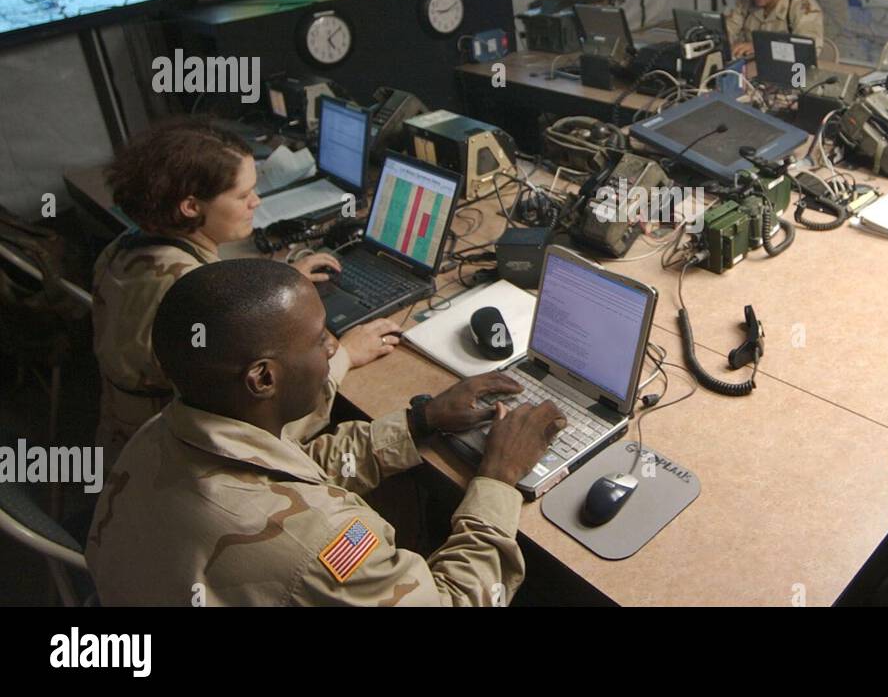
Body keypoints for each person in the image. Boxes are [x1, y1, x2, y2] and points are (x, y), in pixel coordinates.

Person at [85, 259, 565, 606]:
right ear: (264, 379)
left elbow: (287, 479)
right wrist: (499, 479)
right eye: (319, 340)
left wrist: (421, 421)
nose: (335, 345)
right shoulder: (312, 545)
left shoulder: (161, 431)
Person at [92, 120, 395, 467]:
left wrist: (271, 286)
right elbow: (261, 431)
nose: (256, 201)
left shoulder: (122, 248)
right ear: (191, 206)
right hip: (184, 468)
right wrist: (346, 355)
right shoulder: (197, 299)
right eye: (242, 195)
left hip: (122, 443)